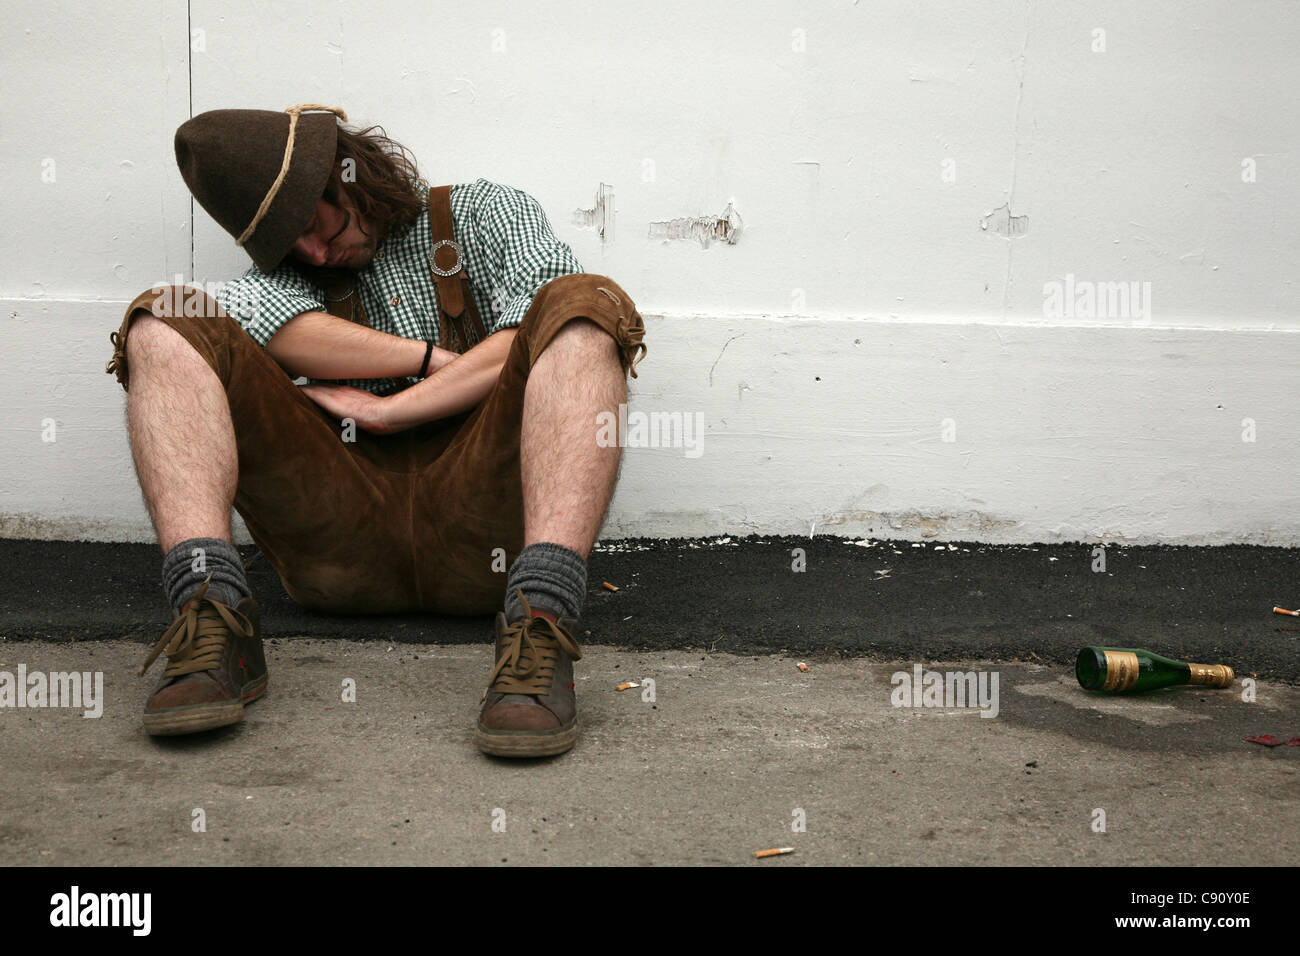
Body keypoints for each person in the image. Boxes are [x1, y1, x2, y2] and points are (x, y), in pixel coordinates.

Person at [105, 103, 648, 757]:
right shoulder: (291, 272)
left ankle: (540, 622)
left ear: (346, 170)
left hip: (487, 541)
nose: (315, 251)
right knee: (163, 316)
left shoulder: (485, 212)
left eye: (314, 222)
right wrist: (429, 361)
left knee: (588, 305)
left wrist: (393, 409)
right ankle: (212, 616)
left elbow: (544, 314)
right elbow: (275, 327)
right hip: (339, 554)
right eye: (290, 245)